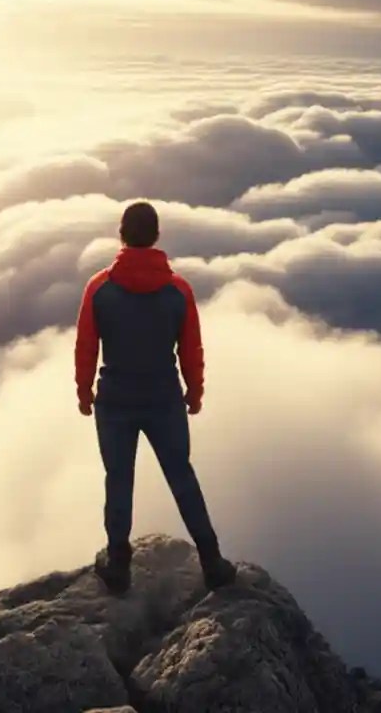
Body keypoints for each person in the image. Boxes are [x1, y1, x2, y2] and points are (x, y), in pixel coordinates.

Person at [75, 201, 237, 594]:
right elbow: (191, 350)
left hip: (114, 401)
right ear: (157, 236)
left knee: (119, 481)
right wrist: (193, 393)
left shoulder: (99, 288)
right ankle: (212, 561)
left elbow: (86, 347)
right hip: (164, 398)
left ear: (121, 234)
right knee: (182, 475)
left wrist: (85, 393)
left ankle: (118, 567)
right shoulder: (178, 290)